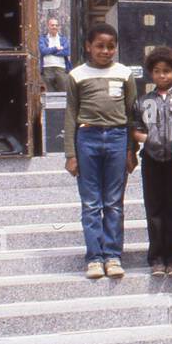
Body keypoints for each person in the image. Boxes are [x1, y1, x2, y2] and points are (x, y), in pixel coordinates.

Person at [65, 22, 138, 280]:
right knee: (91, 202)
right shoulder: (76, 75)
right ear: (88, 46)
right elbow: (71, 114)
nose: (105, 51)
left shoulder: (124, 73)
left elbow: (132, 113)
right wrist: (70, 154)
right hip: (88, 137)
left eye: (110, 47)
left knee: (114, 202)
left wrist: (131, 148)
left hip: (117, 137)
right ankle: (94, 258)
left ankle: (113, 256)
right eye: (100, 46)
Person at [130, 46, 172, 276]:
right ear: (151, 73)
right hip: (152, 158)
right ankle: (156, 257)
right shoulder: (144, 101)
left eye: (167, 71)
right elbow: (136, 129)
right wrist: (150, 138)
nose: (162, 75)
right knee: (154, 208)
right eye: (157, 71)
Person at [39, 15, 72, 92]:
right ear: (48, 26)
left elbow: (66, 52)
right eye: (52, 25)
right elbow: (43, 51)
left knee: (64, 93)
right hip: (47, 69)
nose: (55, 27)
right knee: (50, 94)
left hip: (61, 68)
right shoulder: (43, 38)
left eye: (56, 25)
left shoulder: (63, 39)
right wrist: (56, 48)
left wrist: (50, 51)